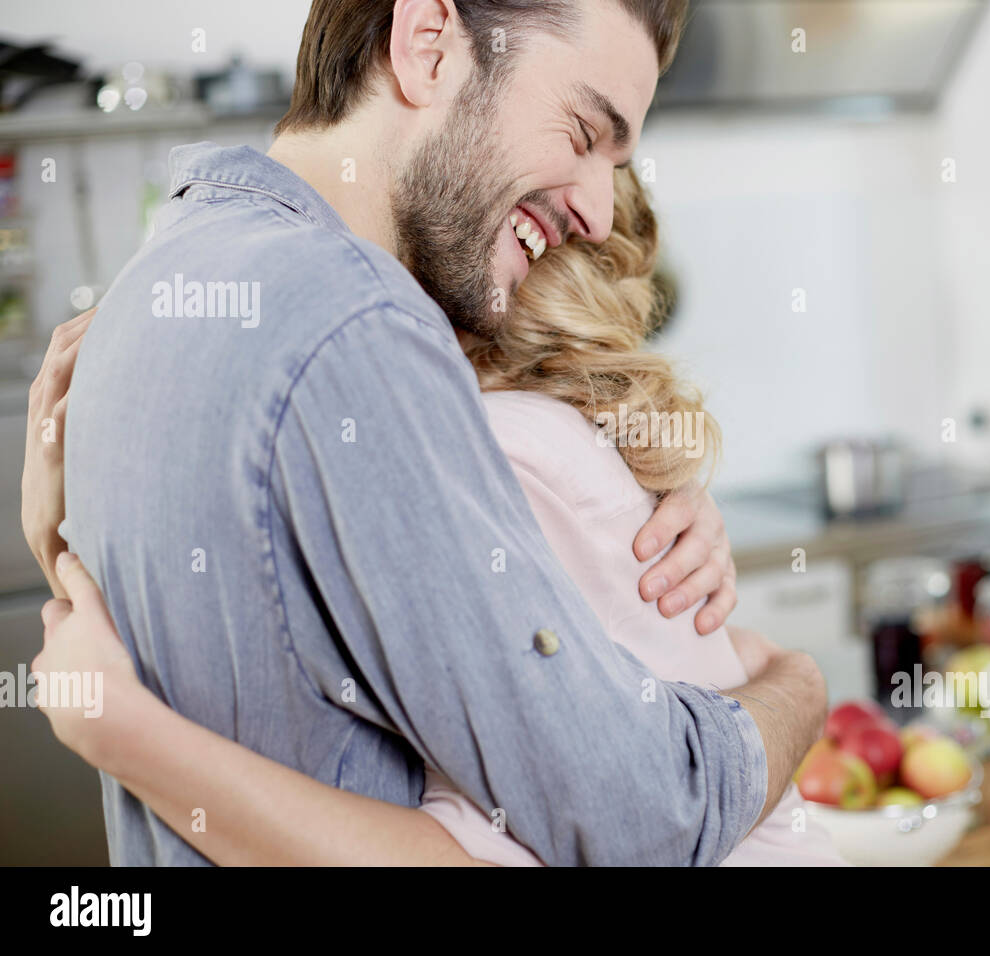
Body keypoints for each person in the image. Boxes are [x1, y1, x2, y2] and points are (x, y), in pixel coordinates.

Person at [22, 0, 828, 866]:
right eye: (585, 131)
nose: (599, 211)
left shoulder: (155, 285)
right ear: (428, 44)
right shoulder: (360, 324)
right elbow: (642, 819)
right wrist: (799, 687)